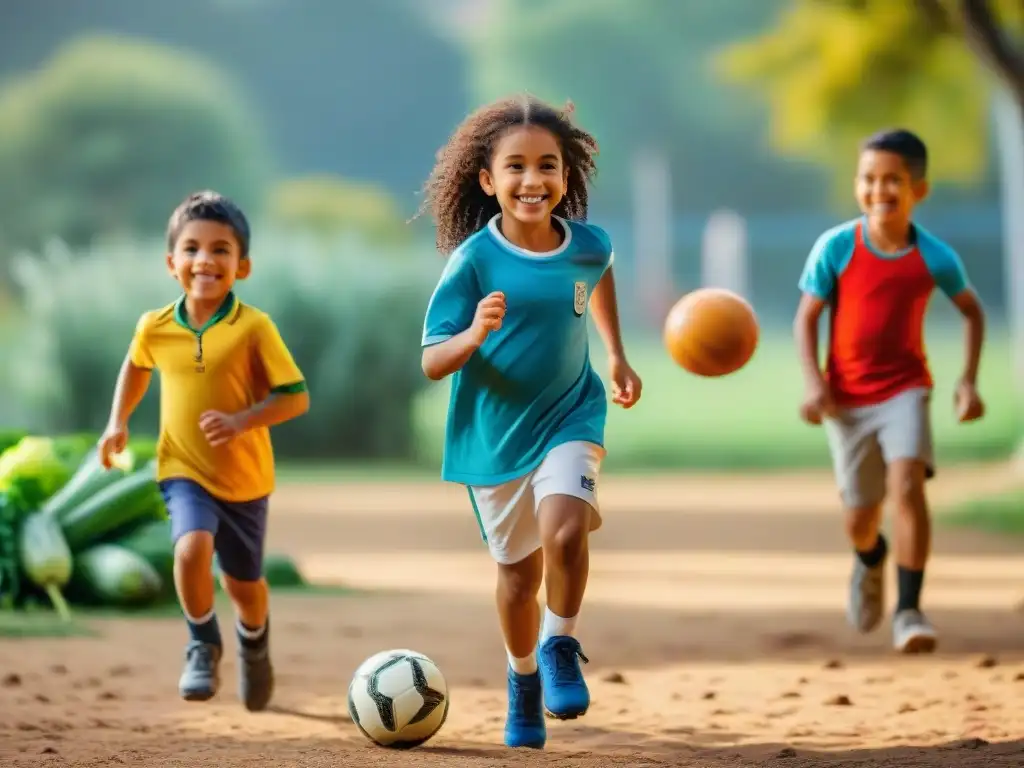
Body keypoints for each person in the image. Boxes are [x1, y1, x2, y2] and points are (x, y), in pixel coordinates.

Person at [415, 94, 642, 749]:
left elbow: (598, 277)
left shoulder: (589, 245)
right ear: (489, 181)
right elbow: (432, 361)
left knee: (566, 532)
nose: (533, 180)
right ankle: (522, 680)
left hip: (572, 412)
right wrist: (473, 334)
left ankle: (560, 643)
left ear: (567, 176)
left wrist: (616, 354)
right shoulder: (474, 261)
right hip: (495, 437)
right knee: (518, 579)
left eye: (548, 165)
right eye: (515, 167)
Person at [97, 191, 310, 710]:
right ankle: (202, 642)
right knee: (191, 548)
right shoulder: (155, 326)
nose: (205, 260)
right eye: (191, 248)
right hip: (182, 467)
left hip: (245, 479)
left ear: (243, 266)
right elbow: (136, 366)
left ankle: (254, 642)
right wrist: (117, 422)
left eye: (220, 249)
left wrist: (241, 421)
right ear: (172, 263)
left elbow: (295, 397)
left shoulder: (254, 327)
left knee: (244, 587)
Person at [794, 128, 986, 654]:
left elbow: (972, 311)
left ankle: (909, 611)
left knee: (907, 488)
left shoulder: (934, 256)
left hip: (906, 389)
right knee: (859, 517)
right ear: (857, 184)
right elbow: (806, 319)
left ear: (918, 189)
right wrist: (815, 385)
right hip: (846, 401)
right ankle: (871, 556)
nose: (879, 189)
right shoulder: (836, 247)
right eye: (869, 178)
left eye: (892, 180)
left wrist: (968, 381)